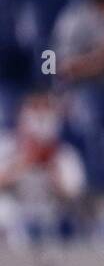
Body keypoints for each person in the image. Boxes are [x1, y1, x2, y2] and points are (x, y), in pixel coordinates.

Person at [0, 90, 85, 247]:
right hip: (12, 216)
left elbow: (72, 195)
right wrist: (25, 161)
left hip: (49, 218)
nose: (41, 117)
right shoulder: (5, 145)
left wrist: (51, 166)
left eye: (46, 110)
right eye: (35, 109)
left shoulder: (65, 154)